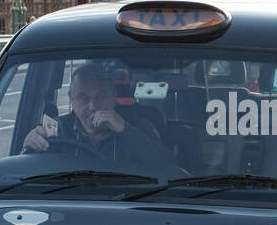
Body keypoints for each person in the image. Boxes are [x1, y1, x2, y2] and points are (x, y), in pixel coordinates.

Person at [22, 62, 176, 176]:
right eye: (82, 97)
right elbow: (28, 174)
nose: (92, 106)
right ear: (71, 100)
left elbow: (167, 166)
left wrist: (125, 129)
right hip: (71, 203)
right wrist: (29, 145)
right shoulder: (55, 129)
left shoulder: (139, 126)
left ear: (114, 97)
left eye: (101, 96)